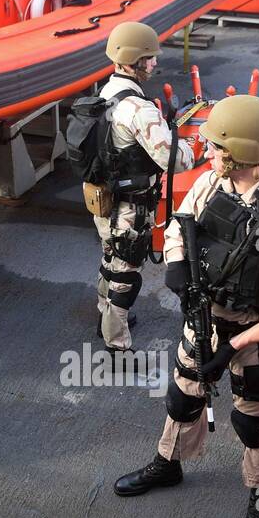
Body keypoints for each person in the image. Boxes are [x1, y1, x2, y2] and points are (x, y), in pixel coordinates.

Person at [114, 95, 259, 518]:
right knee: (183, 396)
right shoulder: (213, 184)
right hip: (204, 316)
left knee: (253, 421)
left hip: (257, 332)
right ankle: (169, 463)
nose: (205, 152)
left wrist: (231, 350)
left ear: (237, 153)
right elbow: (177, 227)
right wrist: (176, 268)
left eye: (213, 146)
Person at [92, 20, 196, 351]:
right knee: (125, 275)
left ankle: (104, 316)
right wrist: (198, 149)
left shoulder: (107, 92)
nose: (154, 63)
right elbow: (174, 160)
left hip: (105, 198)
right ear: (134, 60)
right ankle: (116, 344)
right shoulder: (138, 108)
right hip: (130, 207)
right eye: (150, 58)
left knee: (110, 259)